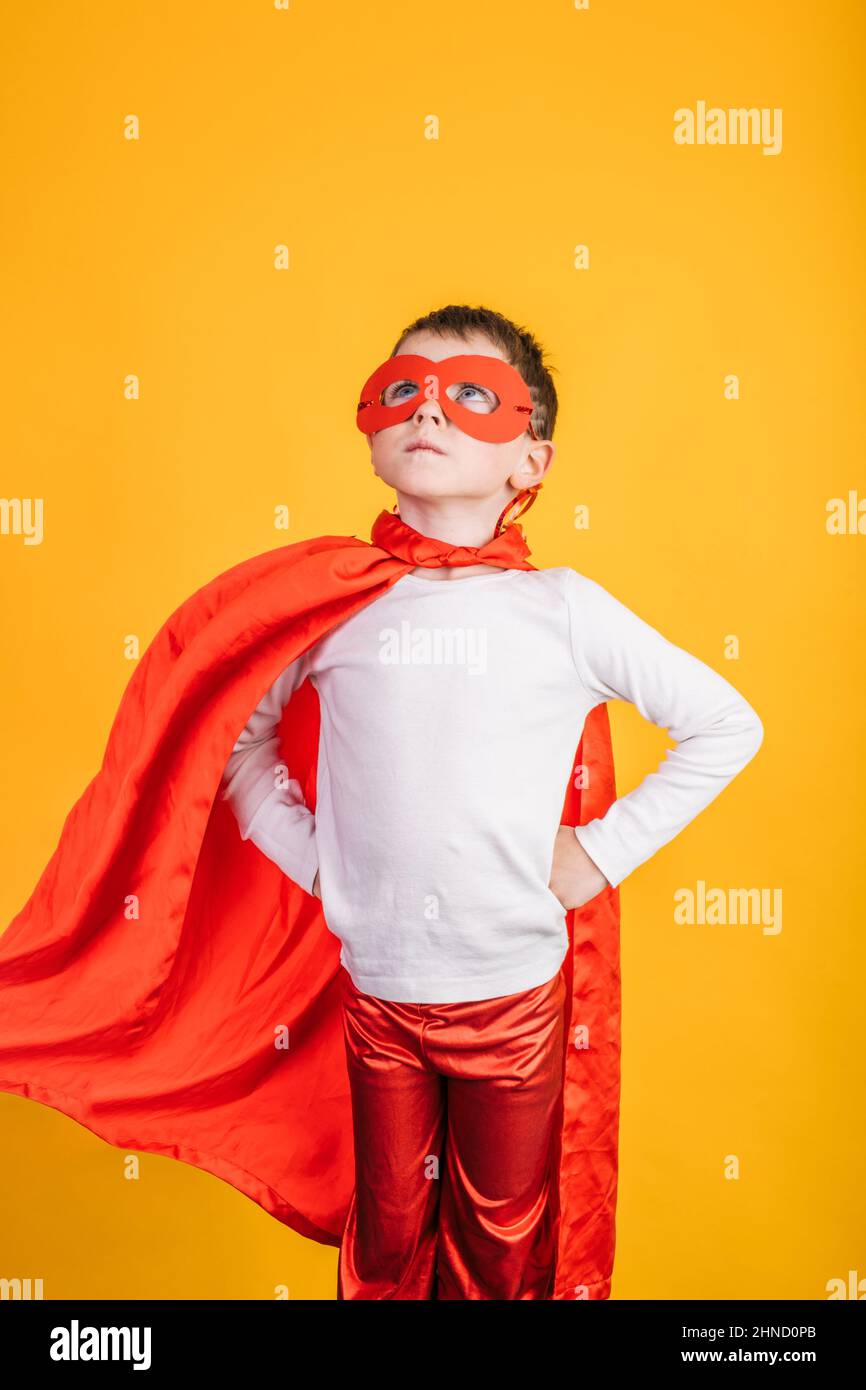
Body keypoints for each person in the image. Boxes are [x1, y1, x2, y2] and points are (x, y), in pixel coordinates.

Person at [219, 303, 764, 1299]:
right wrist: (319, 863)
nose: (429, 409)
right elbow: (240, 743)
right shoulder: (331, 605)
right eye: (404, 388)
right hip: (378, 996)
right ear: (374, 429)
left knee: (499, 1243)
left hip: (512, 999)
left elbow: (726, 724)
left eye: (470, 393)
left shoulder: (561, 610)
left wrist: (598, 854)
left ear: (530, 459)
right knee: (382, 1233)